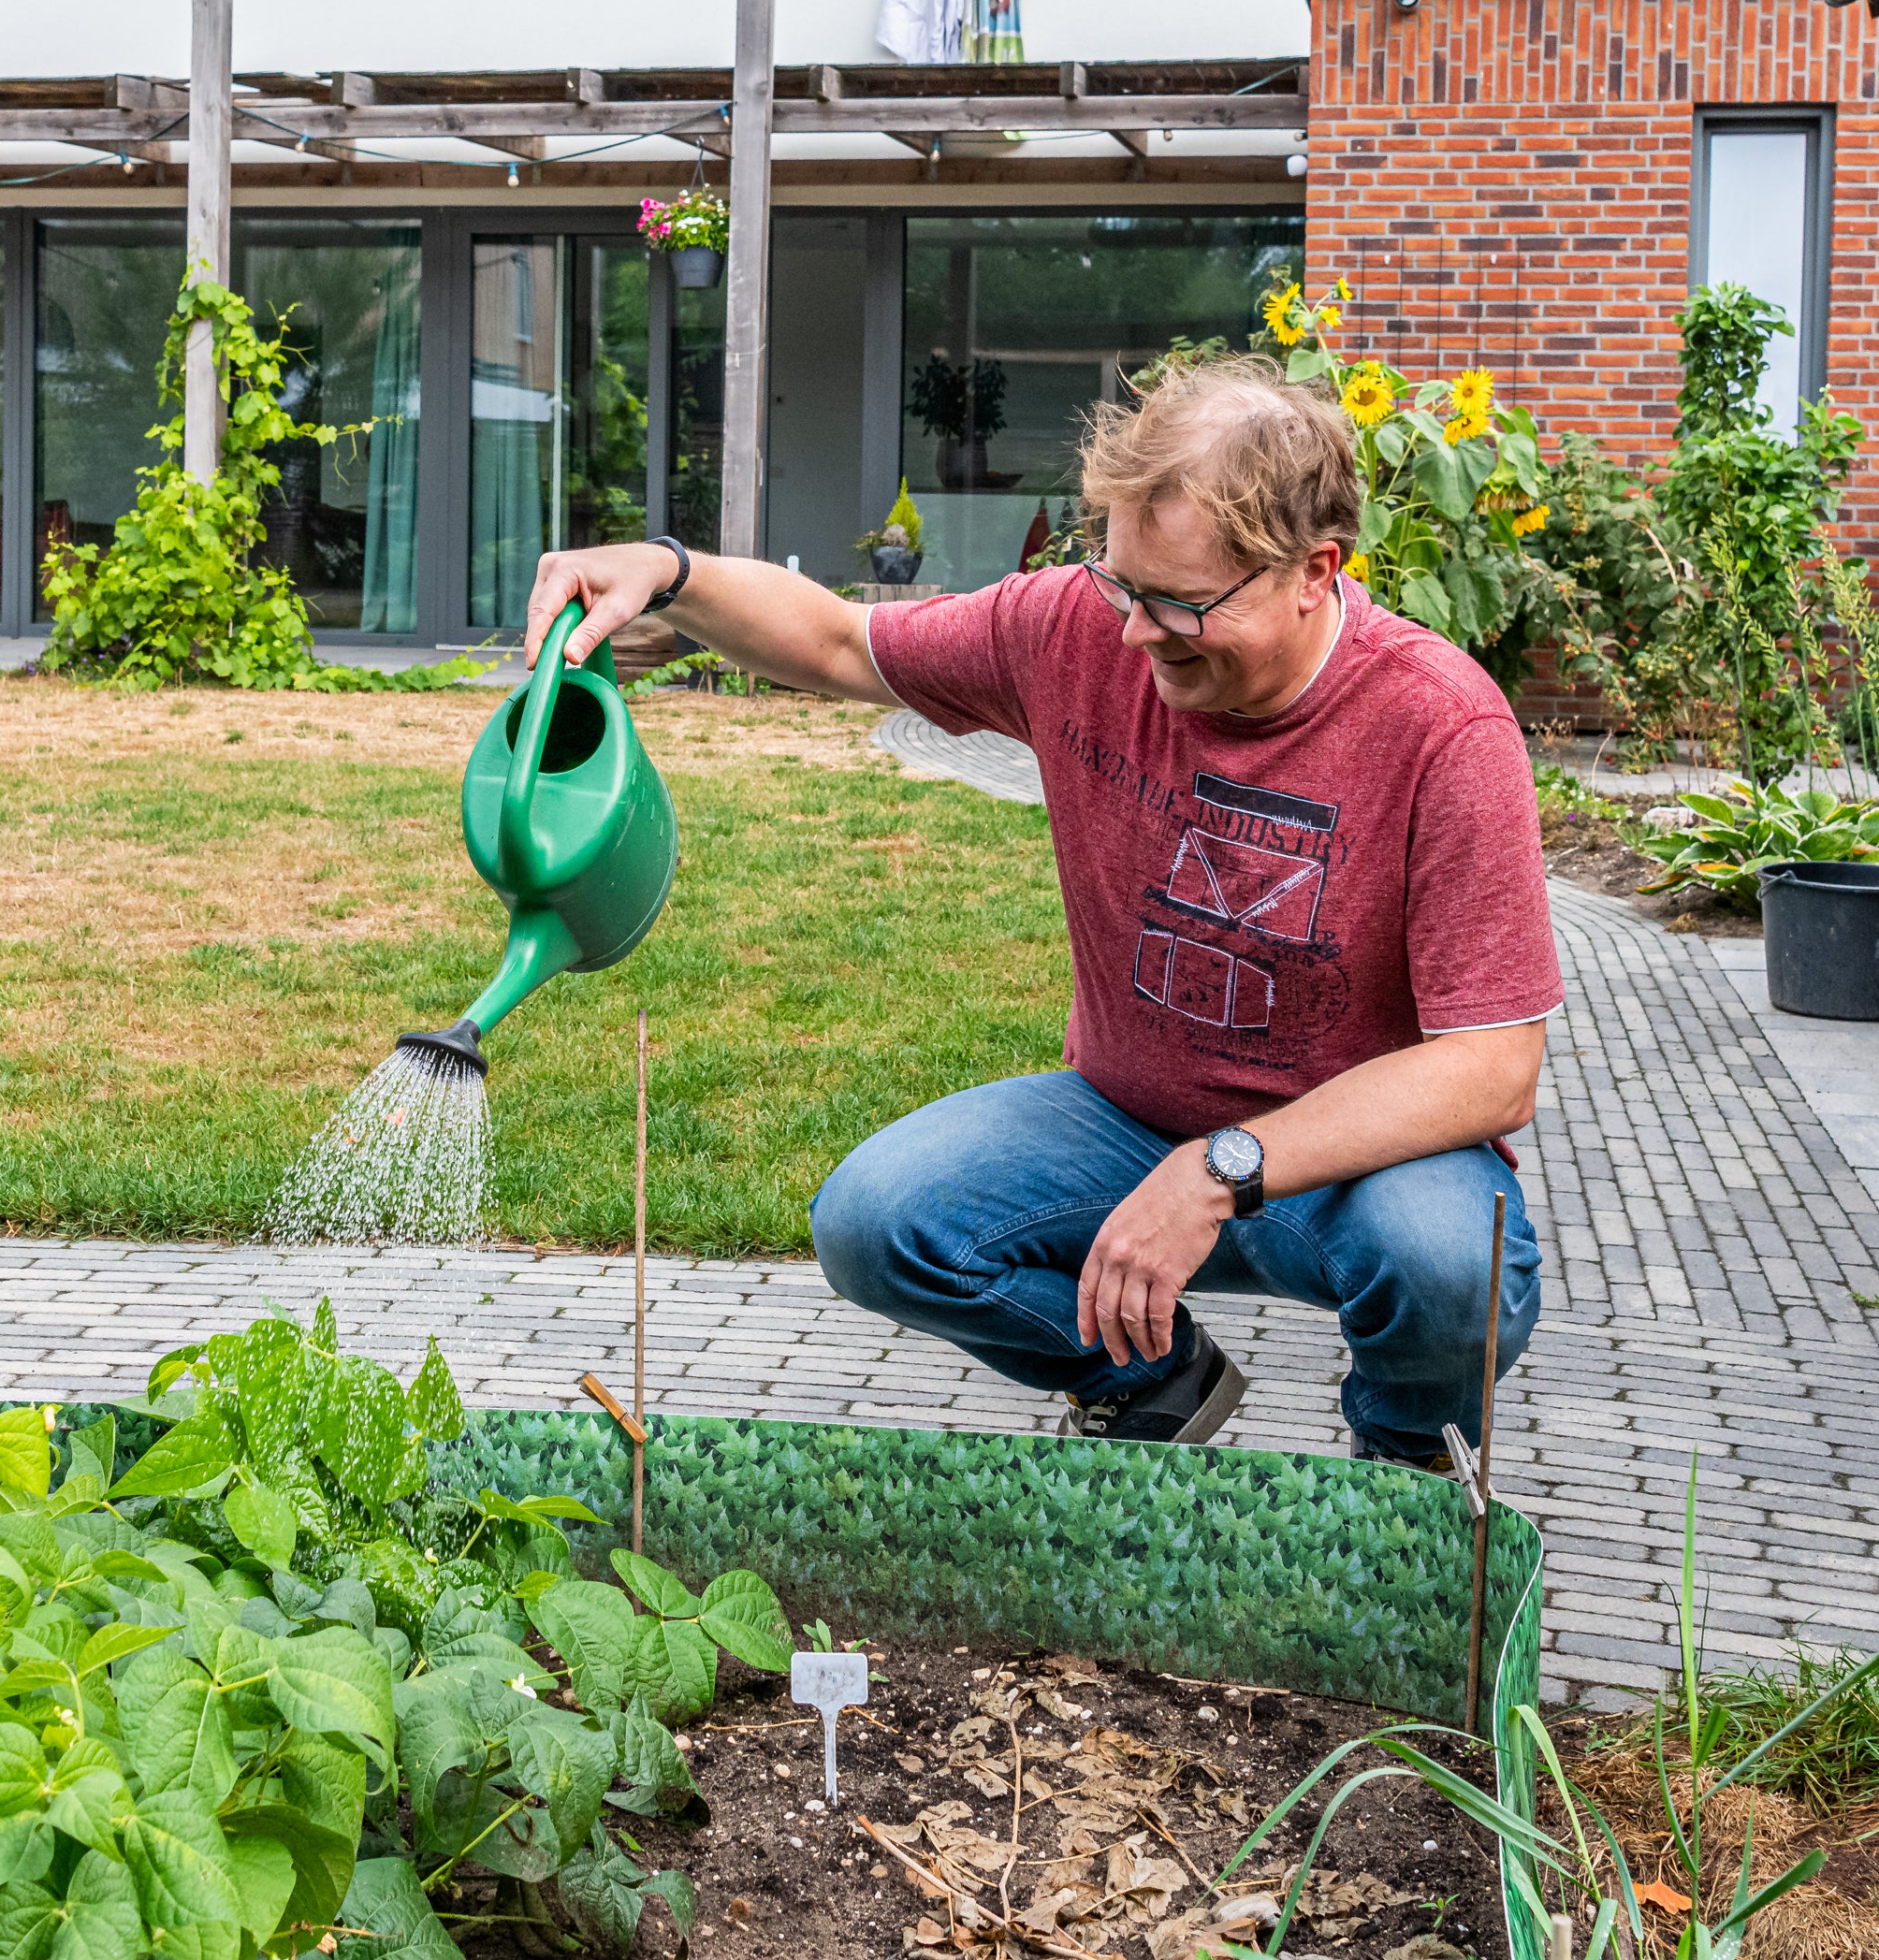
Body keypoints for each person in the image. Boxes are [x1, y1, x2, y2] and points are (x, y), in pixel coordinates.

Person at [517, 356, 1553, 1464]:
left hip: (1362, 1168)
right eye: (1121, 585)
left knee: (1457, 1267)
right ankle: (1151, 1379)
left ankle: (1404, 1472)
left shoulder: (1442, 725)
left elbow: (1491, 1065)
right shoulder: (1070, 629)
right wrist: (667, 571)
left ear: (1315, 571)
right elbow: (837, 640)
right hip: (1119, 1122)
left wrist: (1215, 1169)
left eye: (1179, 603)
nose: (1135, 633)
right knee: (878, 1222)